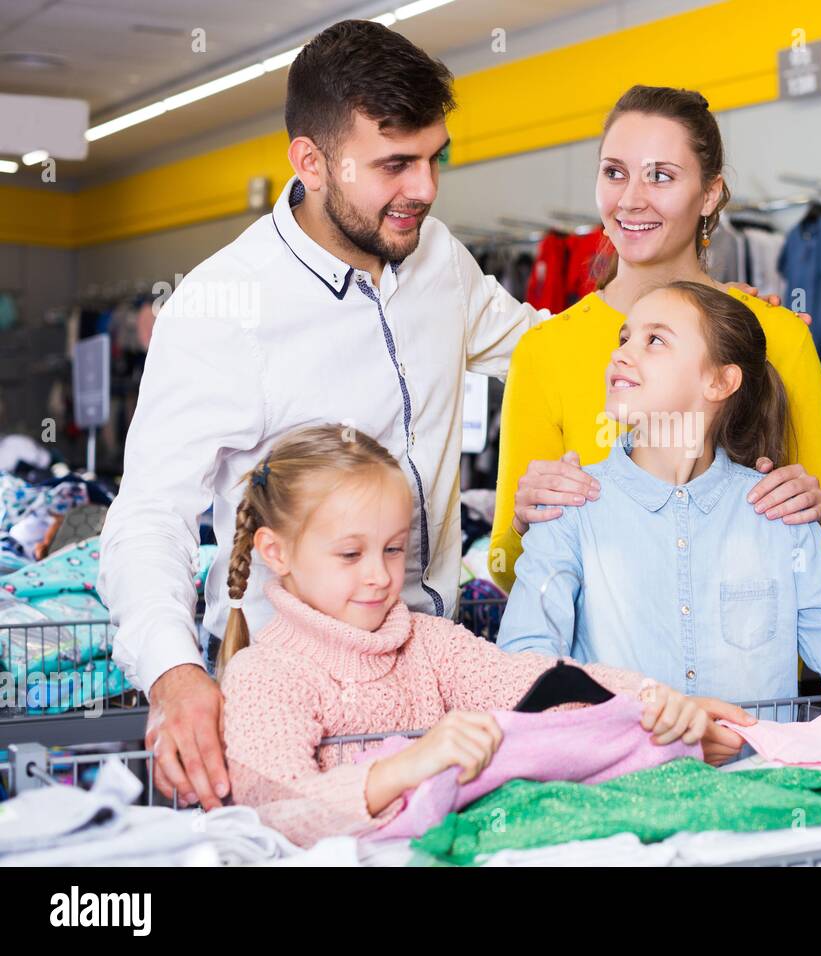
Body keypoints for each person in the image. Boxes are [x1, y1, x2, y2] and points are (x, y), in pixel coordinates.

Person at [98, 20, 550, 811]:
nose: (425, 188)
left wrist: (696, 316)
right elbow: (147, 515)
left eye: (432, 157)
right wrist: (175, 674)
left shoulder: (439, 257)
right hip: (302, 707)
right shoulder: (220, 307)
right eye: (394, 164)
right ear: (309, 162)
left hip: (435, 676)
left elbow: (545, 350)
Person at [218, 424, 743, 848]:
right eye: (351, 554)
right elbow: (274, 813)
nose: (379, 575)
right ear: (276, 552)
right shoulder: (263, 676)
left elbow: (532, 684)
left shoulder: (429, 643)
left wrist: (655, 702)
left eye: (394, 549)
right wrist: (405, 768)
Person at [489, 85, 821, 592]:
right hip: (605, 672)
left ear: (709, 194)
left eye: (660, 175)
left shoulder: (776, 333)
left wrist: (800, 512)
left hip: (748, 664)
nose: (631, 198)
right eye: (615, 172)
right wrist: (526, 523)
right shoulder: (545, 349)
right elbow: (506, 568)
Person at [497, 281, 821, 702]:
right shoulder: (570, 510)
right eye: (624, 338)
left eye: (655, 340)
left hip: (750, 768)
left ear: (721, 383)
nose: (620, 353)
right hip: (622, 768)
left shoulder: (780, 516)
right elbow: (523, 667)